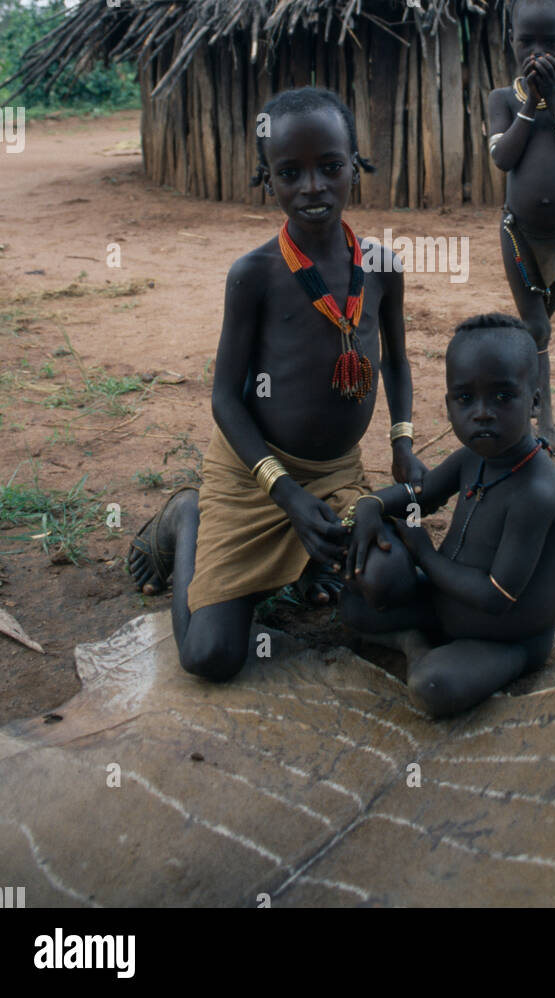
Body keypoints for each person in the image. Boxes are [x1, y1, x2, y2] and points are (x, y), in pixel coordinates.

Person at [128, 87, 426, 682]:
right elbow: (223, 399)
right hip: (254, 478)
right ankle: (190, 516)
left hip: (338, 475)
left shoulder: (382, 267)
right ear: (268, 181)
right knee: (210, 657)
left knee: (389, 582)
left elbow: (394, 360)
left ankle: (306, 565)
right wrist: (285, 493)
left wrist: (402, 442)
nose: (313, 186)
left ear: (355, 169)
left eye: (330, 167)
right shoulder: (254, 276)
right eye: (291, 172)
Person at [339, 314, 555, 717]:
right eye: (465, 399)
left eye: (503, 397)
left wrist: (424, 556)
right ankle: (417, 638)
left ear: (535, 401)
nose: (482, 413)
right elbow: (424, 494)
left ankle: (418, 645)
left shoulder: (536, 492)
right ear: (448, 404)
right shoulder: (474, 458)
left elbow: (497, 597)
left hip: (506, 635)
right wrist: (371, 504)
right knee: (353, 606)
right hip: (445, 602)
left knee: (434, 687)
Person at [487, 0, 555, 451]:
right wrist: (533, 104)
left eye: (549, 43)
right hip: (519, 232)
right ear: (510, 41)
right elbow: (504, 158)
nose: (537, 52)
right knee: (538, 326)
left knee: (538, 322)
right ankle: (544, 422)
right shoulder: (504, 100)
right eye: (526, 41)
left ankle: (526, 384)